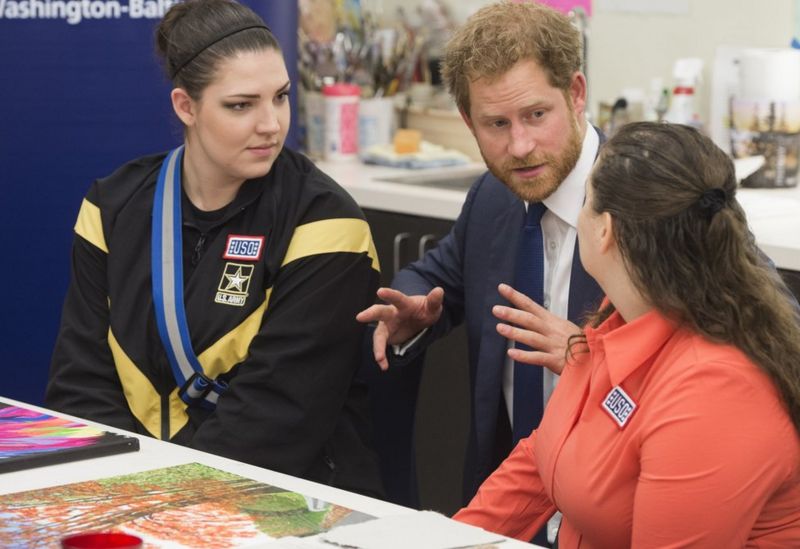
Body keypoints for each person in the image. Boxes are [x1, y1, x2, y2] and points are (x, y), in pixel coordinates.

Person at [46, 0, 383, 497]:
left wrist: (160, 504)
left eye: (281, 97)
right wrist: (121, 496)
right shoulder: (112, 207)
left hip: (280, 503)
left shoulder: (326, 223)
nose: (271, 124)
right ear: (186, 106)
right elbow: (81, 383)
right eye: (242, 105)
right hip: (129, 495)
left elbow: (275, 420)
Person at [454, 121, 800, 547]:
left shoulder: (716, 391)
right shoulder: (618, 317)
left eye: (585, 201)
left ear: (605, 230)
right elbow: (542, 460)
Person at [356, 0, 602, 516]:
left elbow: (756, 337)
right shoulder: (493, 198)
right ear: (468, 120)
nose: (520, 146)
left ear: (575, 94)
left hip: (614, 502)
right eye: (495, 123)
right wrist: (414, 310)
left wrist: (594, 357)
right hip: (507, 502)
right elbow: (435, 276)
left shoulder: (653, 197)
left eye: (536, 115)